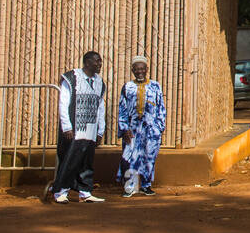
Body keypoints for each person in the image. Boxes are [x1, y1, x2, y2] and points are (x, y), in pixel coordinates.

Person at [51, 50, 107, 204]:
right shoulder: (71, 78)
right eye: (97, 61)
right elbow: (64, 102)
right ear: (87, 62)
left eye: (100, 61)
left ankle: (85, 191)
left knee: (86, 162)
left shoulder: (99, 82)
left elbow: (100, 106)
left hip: (90, 128)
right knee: (69, 160)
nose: (99, 64)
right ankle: (60, 191)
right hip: (75, 127)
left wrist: (100, 130)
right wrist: (67, 127)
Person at [117, 56, 166, 198]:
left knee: (148, 157)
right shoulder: (127, 87)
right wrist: (124, 128)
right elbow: (123, 109)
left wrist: (159, 127)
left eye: (142, 69)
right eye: (136, 69)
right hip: (132, 129)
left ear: (146, 69)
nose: (139, 72)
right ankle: (129, 186)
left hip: (150, 130)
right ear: (132, 70)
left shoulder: (155, 86)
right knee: (129, 157)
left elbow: (161, 108)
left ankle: (146, 185)